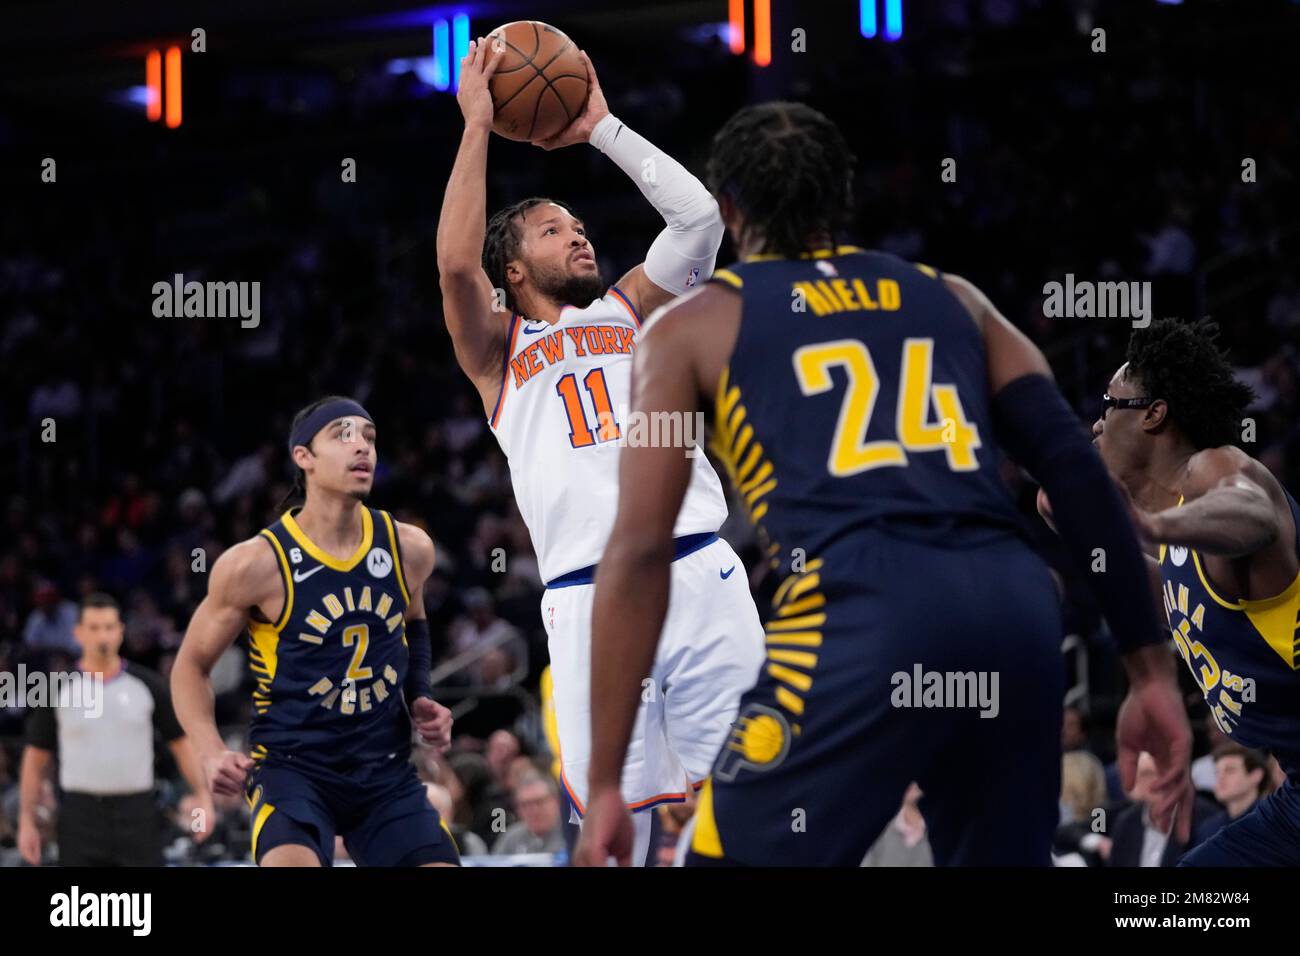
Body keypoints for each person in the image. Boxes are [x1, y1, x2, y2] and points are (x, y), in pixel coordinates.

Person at [575, 101, 1191, 866]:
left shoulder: (690, 326)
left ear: (728, 209)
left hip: (865, 613)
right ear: (844, 197)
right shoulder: (953, 297)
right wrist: (1149, 669)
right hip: (1016, 611)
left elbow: (637, 552)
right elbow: (1077, 470)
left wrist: (604, 780)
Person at [436, 39, 764, 864]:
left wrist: (602, 127)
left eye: (580, 226)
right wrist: (478, 124)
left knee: (759, 798)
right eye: (555, 231)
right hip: (586, 597)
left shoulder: (632, 307)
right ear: (514, 268)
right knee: (616, 836)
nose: (579, 237)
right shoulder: (496, 351)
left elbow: (697, 219)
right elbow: (452, 266)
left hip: (699, 570)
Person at [171, 397, 458, 867]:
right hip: (291, 767)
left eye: (369, 437)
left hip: (384, 770)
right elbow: (190, 666)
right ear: (303, 457)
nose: (362, 447)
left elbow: (414, 623)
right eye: (343, 435)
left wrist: (421, 693)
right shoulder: (256, 564)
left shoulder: (410, 547)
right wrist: (209, 751)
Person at [1086, 318, 1300, 865]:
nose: (1097, 423)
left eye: (1110, 404)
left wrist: (1148, 527)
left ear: (1154, 414)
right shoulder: (1179, 551)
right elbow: (1141, 587)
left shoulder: (1214, 468)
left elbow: (1250, 510)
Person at [19, 592, 213, 866]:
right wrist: (27, 820)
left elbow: (181, 745)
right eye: (94, 628)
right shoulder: (57, 690)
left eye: (109, 627)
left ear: (120, 632)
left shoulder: (148, 685)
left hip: (138, 813)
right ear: (78, 633)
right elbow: (35, 758)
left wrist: (203, 799)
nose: (103, 636)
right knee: (83, 908)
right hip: (80, 815)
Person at [492, 773, 565, 857]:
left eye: (539, 802)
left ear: (556, 801)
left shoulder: (573, 835)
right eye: (525, 805)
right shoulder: (512, 838)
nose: (533, 810)